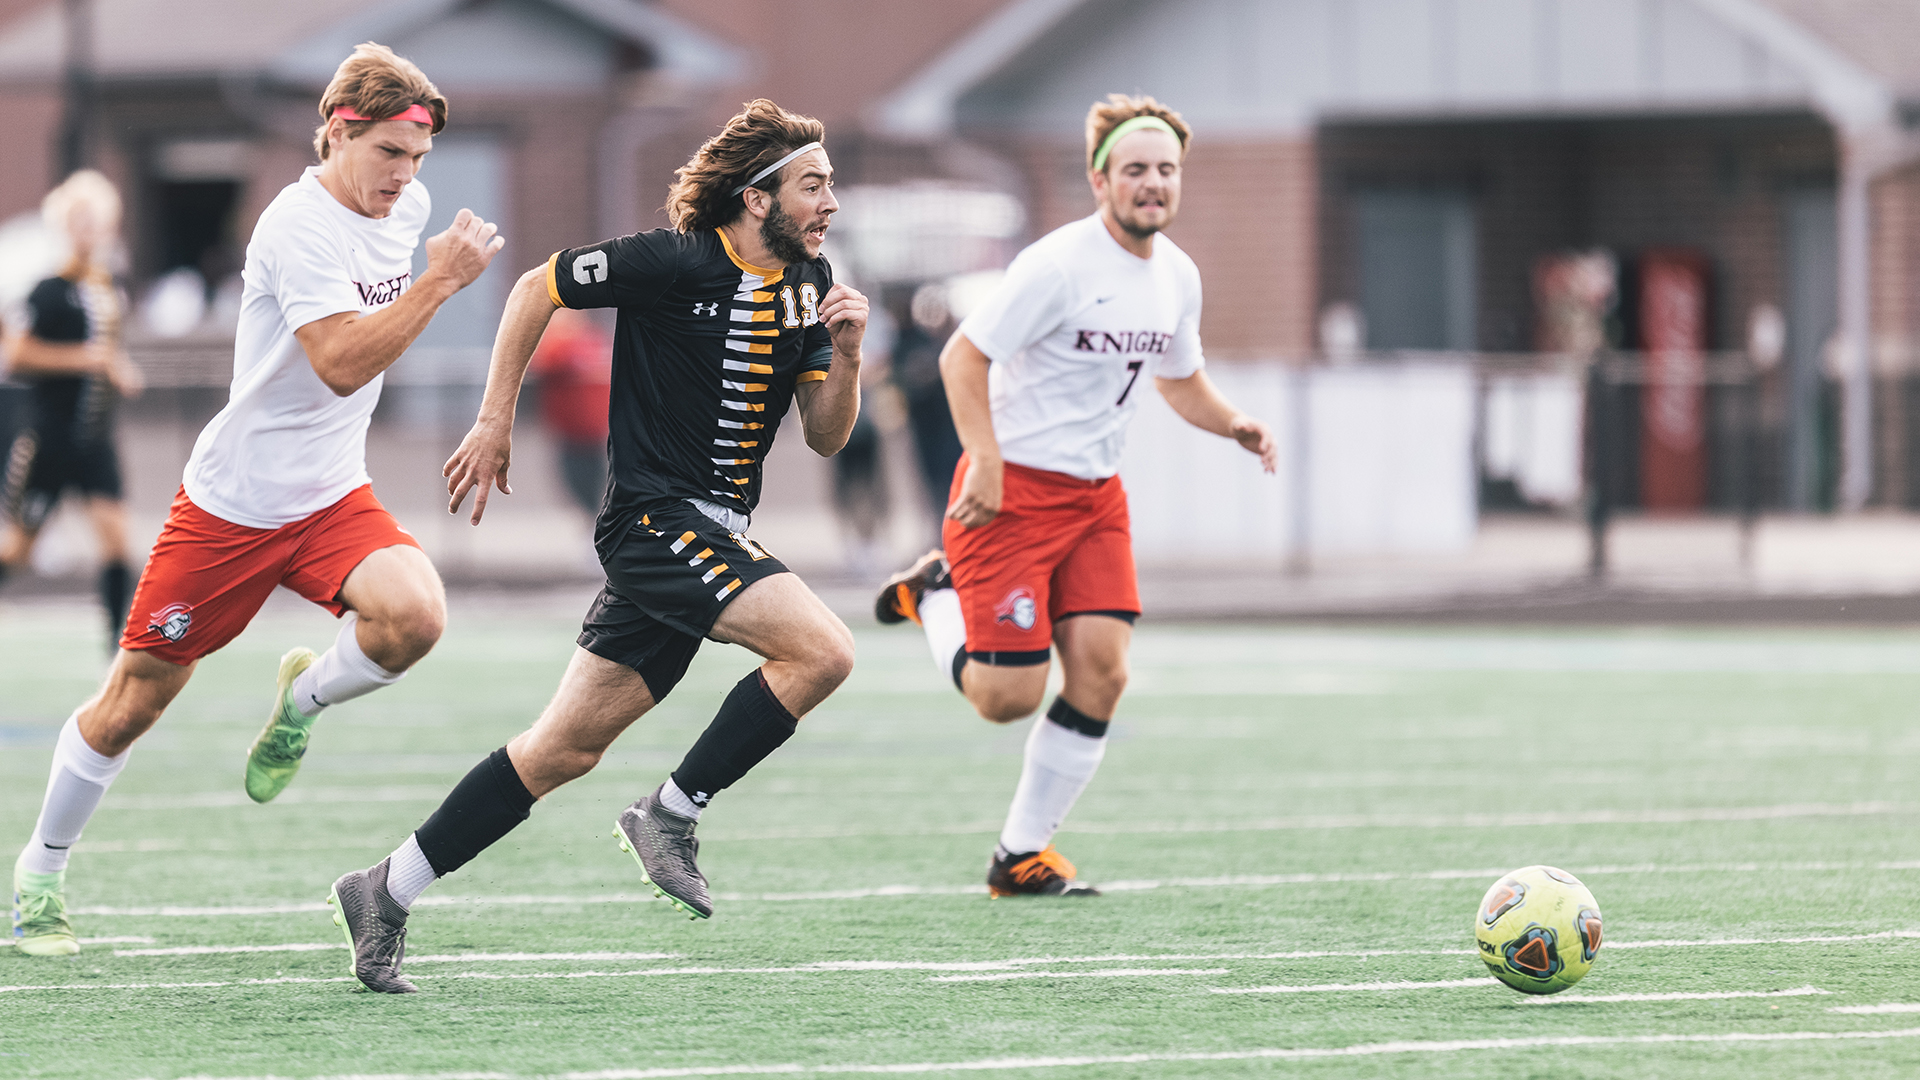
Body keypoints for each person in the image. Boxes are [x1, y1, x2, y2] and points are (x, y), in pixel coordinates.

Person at [324, 98, 866, 994]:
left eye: (830, 185)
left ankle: (386, 888)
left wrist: (845, 353)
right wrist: (495, 419)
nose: (830, 203)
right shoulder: (673, 259)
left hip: (711, 534)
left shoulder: (812, 284)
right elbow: (536, 287)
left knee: (560, 751)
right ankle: (671, 815)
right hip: (654, 522)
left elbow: (826, 435)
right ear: (757, 198)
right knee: (824, 651)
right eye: (814, 186)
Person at [8, 42, 504, 957]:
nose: (406, 176)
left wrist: (433, 272)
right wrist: (440, 280)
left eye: (418, 157)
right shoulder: (294, 226)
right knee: (131, 704)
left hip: (331, 495)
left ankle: (300, 703)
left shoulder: (408, 207)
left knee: (415, 618)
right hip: (232, 507)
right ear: (337, 133)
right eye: (389, 152)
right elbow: (340, 360)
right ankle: (39, 873)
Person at [874, 95, 1277, 898]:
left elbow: (1179, 378)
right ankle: (935, 597)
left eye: (1166, 170)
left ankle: (1019, 855)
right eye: (1136, 169)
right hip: (1012, 495)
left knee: (1102, 674)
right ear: (1100, 180)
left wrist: (1232, 422)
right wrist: (986, 461)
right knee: (1006, 698)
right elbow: (962, 358)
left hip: (1096, 501)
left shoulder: (1178, 275)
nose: (1153, 183)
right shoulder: (1058, 265)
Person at [0, 170, 143, 650]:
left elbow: (105, 351)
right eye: (80, 219)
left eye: (96, 220)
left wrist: (117, 368)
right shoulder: (47, 290)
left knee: (117, 542)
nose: (89, 230)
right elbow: (17, 354)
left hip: (95, 440)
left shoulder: (109, 289)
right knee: (19, 550)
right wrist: (86, 359)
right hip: (50, 438)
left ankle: (116, 651)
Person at [528, 306, 612, 516]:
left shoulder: (592, 339)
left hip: (600, 432)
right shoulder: (559, 343)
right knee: (581, 485)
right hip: (573, 433)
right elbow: (542, 364)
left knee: (601, 484)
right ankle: (594, 521)